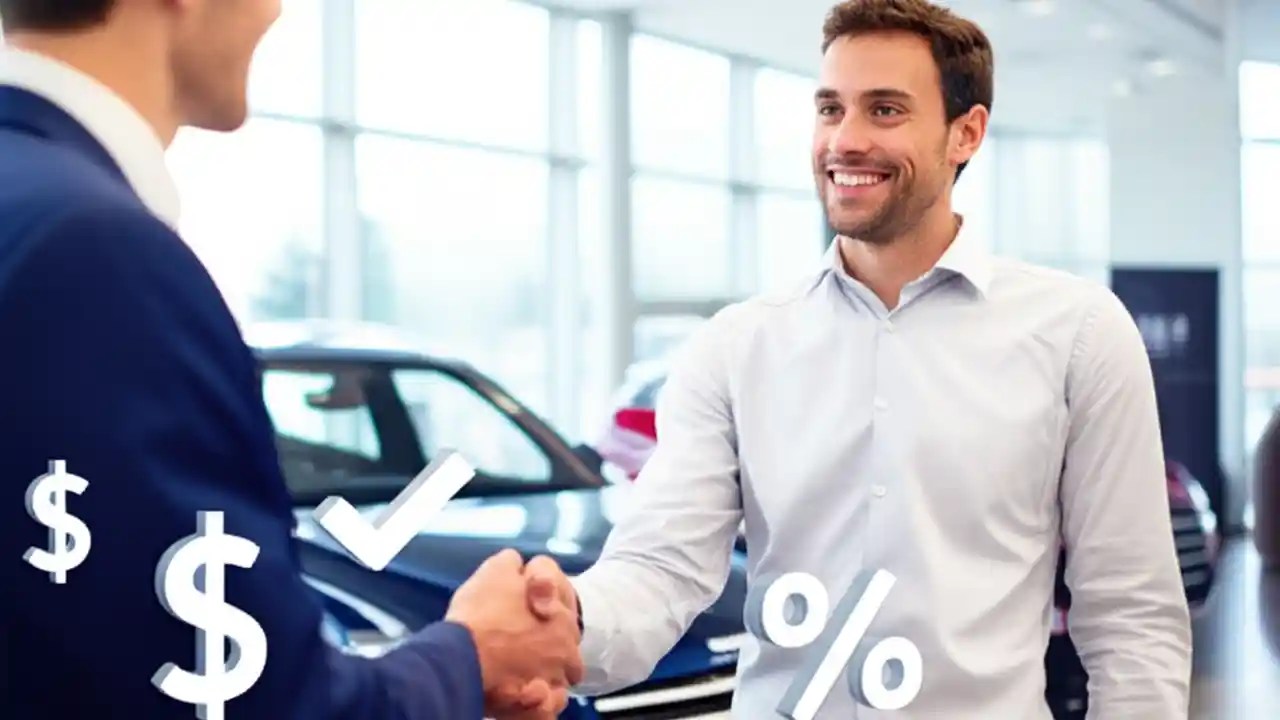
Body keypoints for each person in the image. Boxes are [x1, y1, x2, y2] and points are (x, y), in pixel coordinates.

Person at [525, 0, 1194, 717]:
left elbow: (1133, 616)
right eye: (830, 109)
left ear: (966, 133)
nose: (845, 140)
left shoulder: (1078, 333)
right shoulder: (736, 345)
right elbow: (661, 571)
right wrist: (566, 619)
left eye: (885, 110)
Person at [0, 1, 580, 718]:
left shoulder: (33, 208)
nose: (275, 12)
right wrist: (471, 653)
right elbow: (245, 698)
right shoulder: (96, 251)